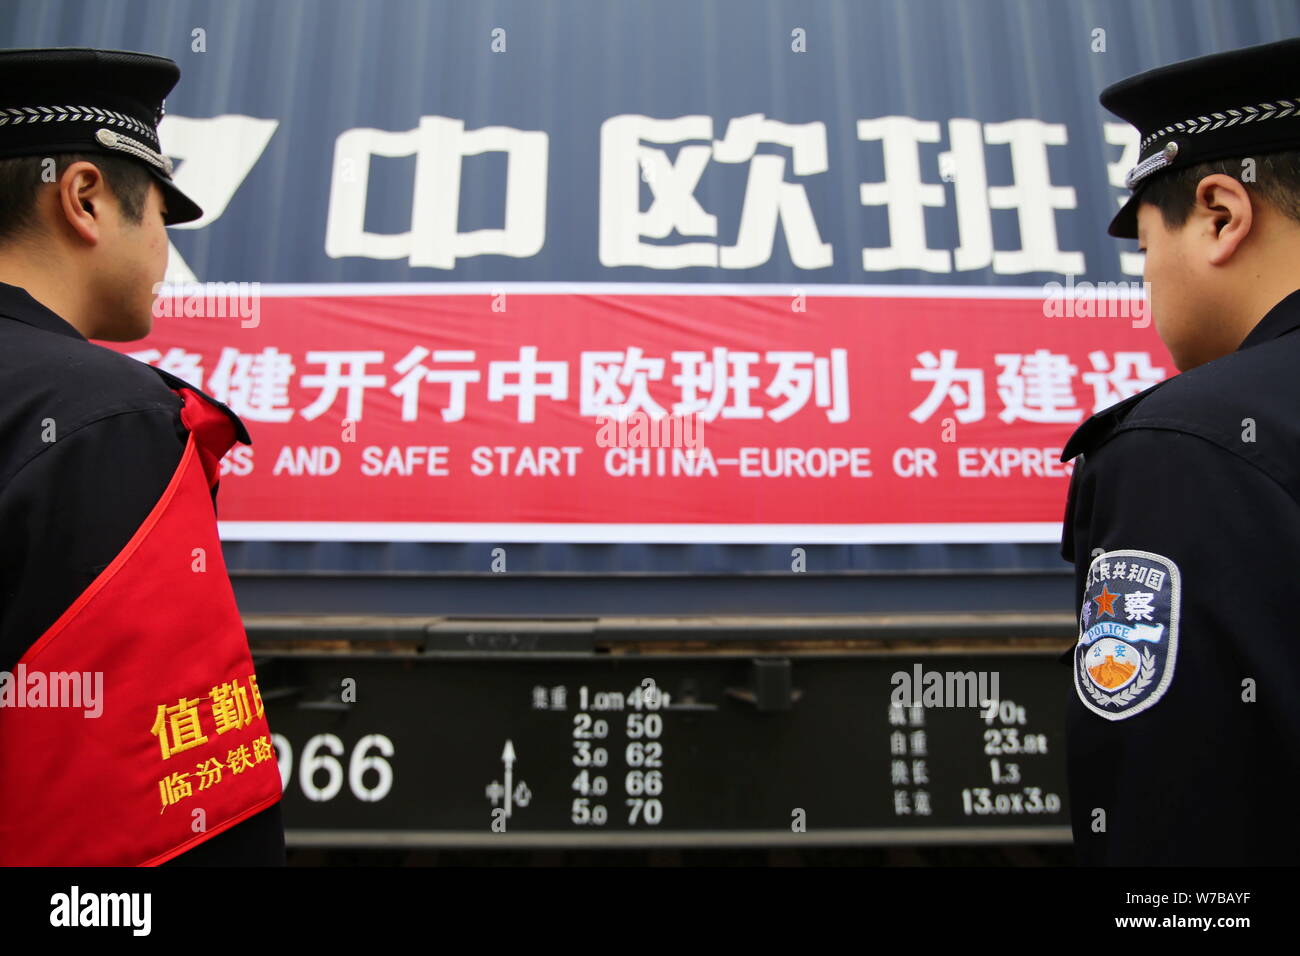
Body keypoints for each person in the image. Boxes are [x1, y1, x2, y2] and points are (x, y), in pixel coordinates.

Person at [0, 48, 284, 865]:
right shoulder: (107, 420)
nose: (164, 252)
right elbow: (154, 817)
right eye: (161, 214)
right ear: (85, 197)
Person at [1060, 36, 1300, 865]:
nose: (1147, 281)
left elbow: (1173, 817)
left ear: (1221, 214)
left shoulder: (1188, 446)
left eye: (1143, 249)